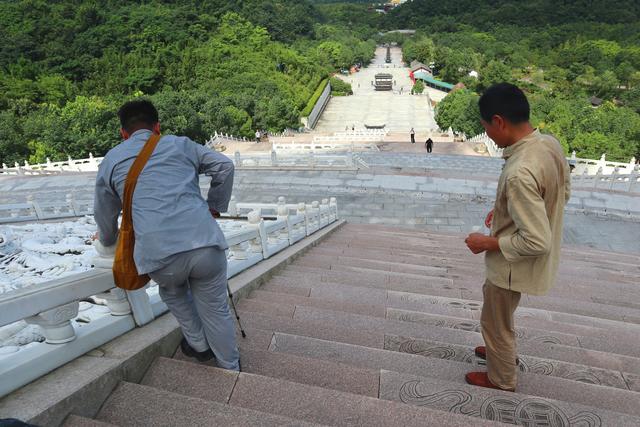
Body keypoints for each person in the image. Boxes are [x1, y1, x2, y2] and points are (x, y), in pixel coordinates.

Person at [94, 100, 240, 371]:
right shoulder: (180, 144)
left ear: (123, 133)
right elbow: (224, 167)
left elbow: (104, 213)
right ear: (157, 127)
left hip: (159, 254)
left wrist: (106, 240)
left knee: (173, 292)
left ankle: (199, 346)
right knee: (216, 309)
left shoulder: (112, 160)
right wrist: (214, 208)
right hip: (204, 244)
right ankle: (231, 367)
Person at [464, 83, 570, 391]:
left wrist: (487, 242)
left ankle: (502, 377)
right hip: (517, 257)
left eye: (486, 128)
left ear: (499, 122)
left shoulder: (519, 171)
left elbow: (538, 241)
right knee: (501, 315)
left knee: (495, 322)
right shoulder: (548, 144)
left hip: (511, 266)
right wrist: (507, 212)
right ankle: (499, 353)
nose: (488, 136)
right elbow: (562, 192)